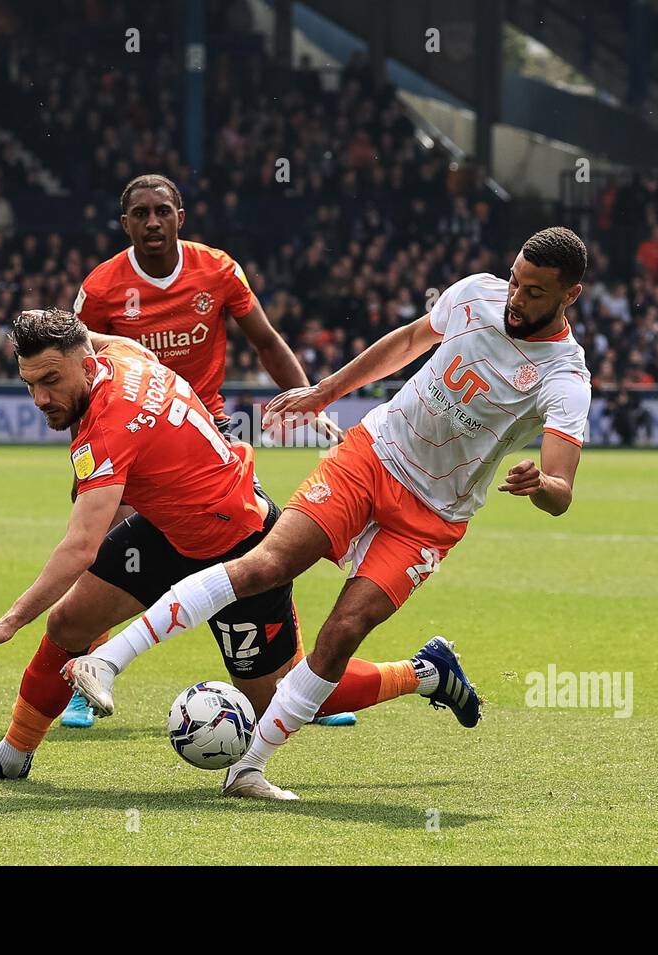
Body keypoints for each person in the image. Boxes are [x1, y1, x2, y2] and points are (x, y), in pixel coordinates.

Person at [68, 227, 592, 800]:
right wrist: (324, 393)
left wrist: (541, 483)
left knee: (341, 634)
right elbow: (408, 341)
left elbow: (562, 490)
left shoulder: (565, 377)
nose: (516, 298)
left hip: (433, 514)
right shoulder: (478, 294)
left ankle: (248, 771)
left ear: (571, 295)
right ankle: (109, 662)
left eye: (535, 292)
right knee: (266, 565)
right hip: (371, 455)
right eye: (516, 280)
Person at [0, 308, 478, 783]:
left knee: (290, 698)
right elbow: (119, 344)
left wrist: (9, 621)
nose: (41, 398)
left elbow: (80, 548)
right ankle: (12, 756)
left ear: (85, 365)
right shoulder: (118, 354)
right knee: (68, 626)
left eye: (50, 380)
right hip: (168, 533)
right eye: (30, 385)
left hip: (241, 544)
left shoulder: (109, 430)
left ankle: (425, 672)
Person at [59, 173, 345, 729]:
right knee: (100, 551)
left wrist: (309, 403)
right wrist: (86, 454)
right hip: (128, 436)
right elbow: (76, 372)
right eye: (140, 214)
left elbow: (265, 340)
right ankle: (81, 678)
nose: (152, 223)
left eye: (162, 211)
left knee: (261, 539)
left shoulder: (217, 270)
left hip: (204, 432)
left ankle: (295, 680)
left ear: (180, 217)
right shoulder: (100, 288)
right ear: (125, 224)